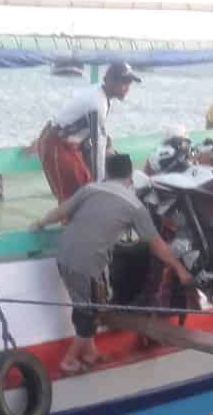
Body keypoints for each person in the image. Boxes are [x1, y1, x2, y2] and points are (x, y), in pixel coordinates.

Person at [33, 152, 194, 374]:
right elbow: (158, 247)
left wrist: (40, 222)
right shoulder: (135, 206)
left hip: (64, 256)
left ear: (108, 173)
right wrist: (180, 270)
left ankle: (90, 352)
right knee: (91, 311)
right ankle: (68, 360)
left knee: (84, 303)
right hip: (88, 263)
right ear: (130, 175)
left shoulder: (90, 189)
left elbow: (62, 211)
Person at [37, 61, 142, 202]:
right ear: (109, 81)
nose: (127, 87)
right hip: (57, 146)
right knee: (74, 199)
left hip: (66, 143)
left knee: (84, 193)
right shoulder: (97, 104)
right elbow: (97, 148)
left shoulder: (100, 93)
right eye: (123, 82)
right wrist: (100, 183)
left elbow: (90, 133)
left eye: (129, 82)